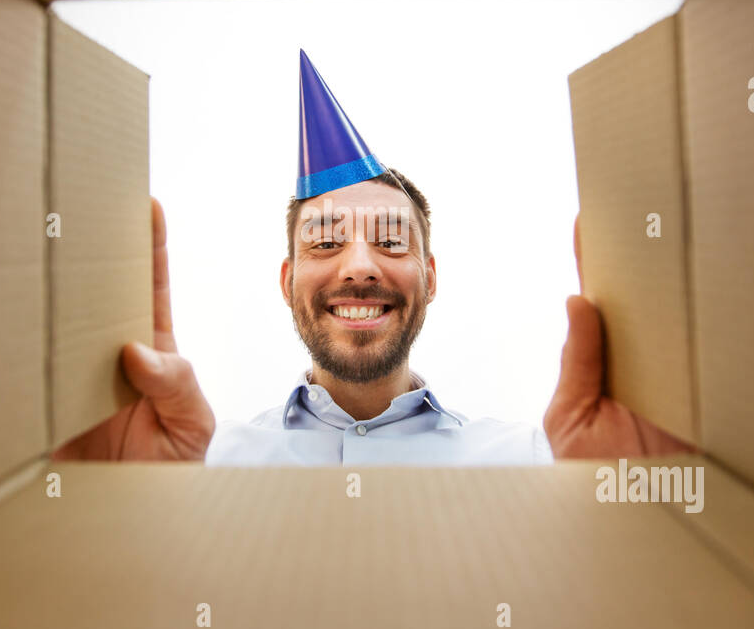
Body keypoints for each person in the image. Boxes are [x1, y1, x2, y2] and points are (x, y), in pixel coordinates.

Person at [51, 51, 694, 465]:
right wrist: (125, 520)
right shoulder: (204, 466)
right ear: (287, 280)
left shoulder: (530, 463)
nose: (359, 266)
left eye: (390, 241)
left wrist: (623, 523)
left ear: (431, 276)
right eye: (326, 242)